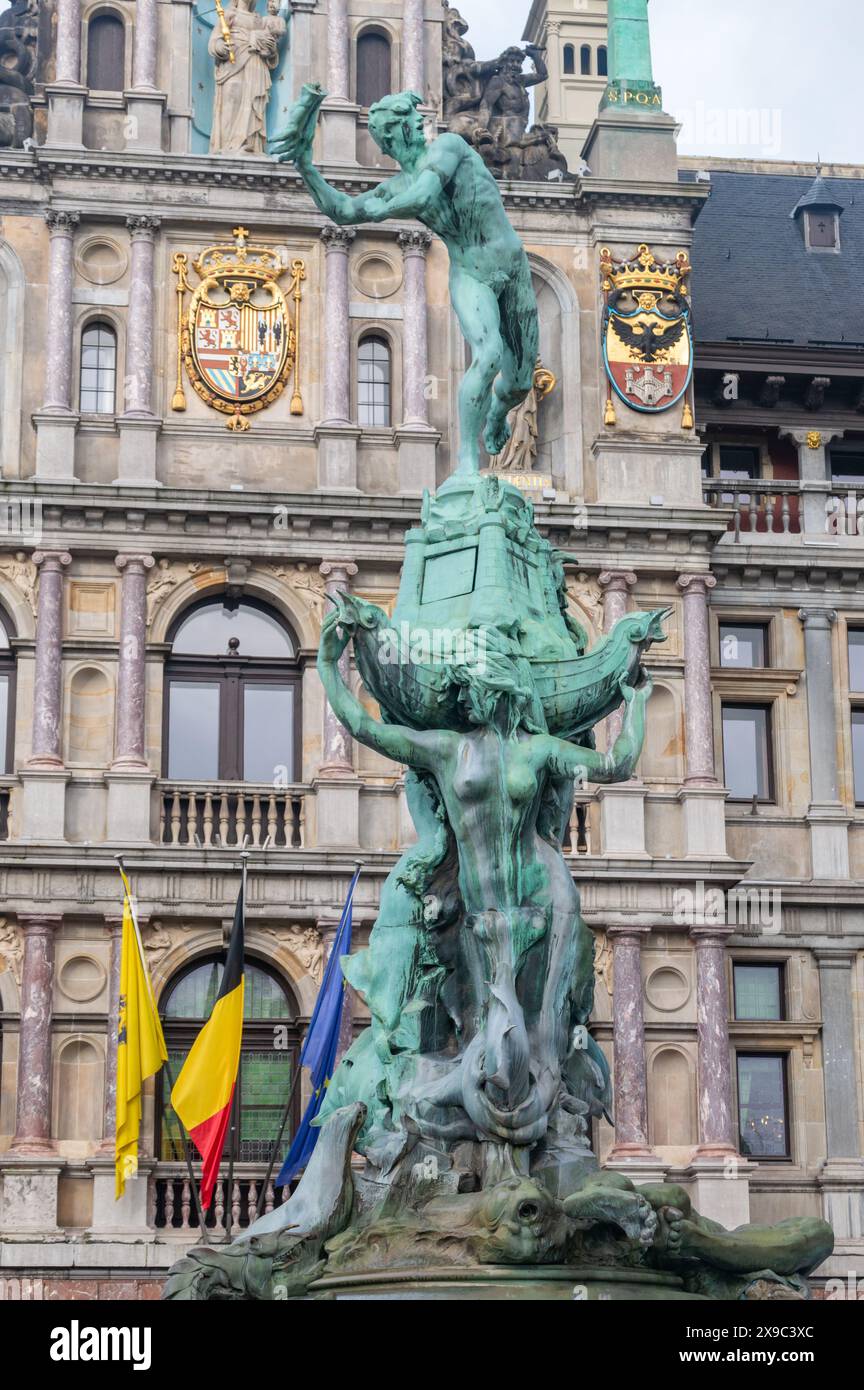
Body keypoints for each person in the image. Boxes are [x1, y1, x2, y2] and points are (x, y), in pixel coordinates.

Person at [318, 609, 653, 1152]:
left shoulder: (539, 750)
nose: (484, 695)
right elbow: (366, 729)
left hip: (544, 890)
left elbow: (615, 765)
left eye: (493, 684)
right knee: (480, 1019)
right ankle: (471, 1128)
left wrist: (636, 704)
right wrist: (329, 665)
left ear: (509, 691)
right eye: (476, 685)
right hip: (473, 896)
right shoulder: (447, 749)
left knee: (543, 1027)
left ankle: (551, 1133)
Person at [270, 88, 539, 471]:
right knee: (489, 352)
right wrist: (305, 167)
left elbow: (425, 193)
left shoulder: (447, 147)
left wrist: (383, 211)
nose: (421, 122)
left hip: (511, 266)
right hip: (469, 273)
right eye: (413, 119)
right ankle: (467, 460)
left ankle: (497, 413)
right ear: (396, 134)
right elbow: (344, 211)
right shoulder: (395, 185)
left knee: (519, 383)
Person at [209, 0, 286, 156]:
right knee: (232, 100)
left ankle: (251, 146)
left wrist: (269, 49)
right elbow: (214, 41)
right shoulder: (229, 15)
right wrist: (221, 47)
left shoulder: (260, 20)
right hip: (233, 63)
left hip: (256, 65)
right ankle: (227, 146)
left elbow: (271, 49)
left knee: (253, 103)